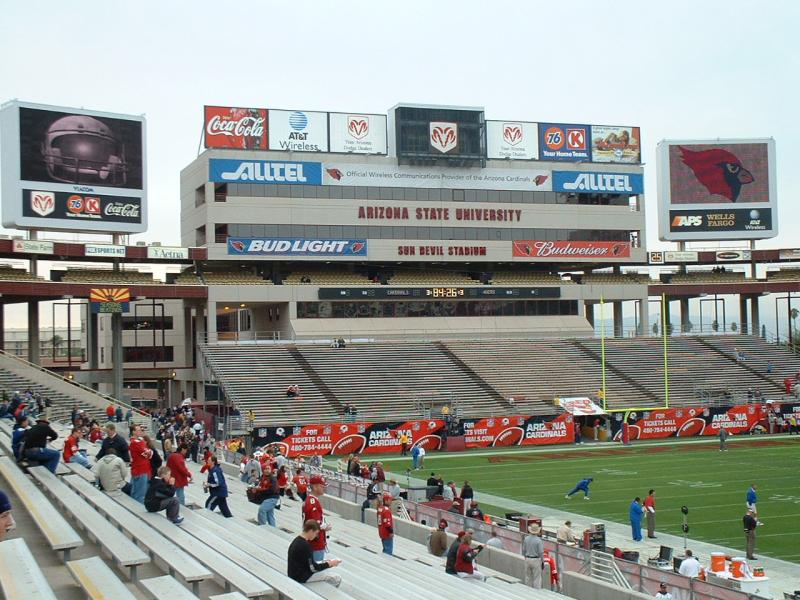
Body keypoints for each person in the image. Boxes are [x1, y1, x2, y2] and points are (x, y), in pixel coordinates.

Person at [287, 520, 342, 587]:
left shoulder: (296, 540)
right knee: (336, 578)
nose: (316, 536)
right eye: (316, 533)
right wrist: (329, 564)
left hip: (294, 574)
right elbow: (313, 568)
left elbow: (309, 564)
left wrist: (327, 563)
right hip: (301, 577)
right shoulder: (305, 545)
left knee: (324, 566)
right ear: (310, 531)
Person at [303, 475, 332, 562]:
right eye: (322, 486)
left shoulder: (311, 500)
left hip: (315, 541)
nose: (324, 488)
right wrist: (325, 526)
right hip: (315, 542)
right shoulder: (312, 502)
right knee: (317, 568)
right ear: (315, 487)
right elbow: (314, 524)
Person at [128, 424, 152, 503]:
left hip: (140, 469)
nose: (140, 431)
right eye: (138, 430)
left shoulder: (139, 441)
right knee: (140, 494)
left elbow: (149, 453)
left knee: (136, 493)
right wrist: (147, 450)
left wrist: (148, 451)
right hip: (140, 470)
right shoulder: (135, 442)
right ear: (133, 432)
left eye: (140, 430)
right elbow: (148, 454)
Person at [522, 524, 544, 588]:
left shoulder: (526, 539)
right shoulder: (539, 541)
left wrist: (526, 557)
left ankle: (528, 592)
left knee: (528, 577)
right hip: (536, 560)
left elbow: (523, 550)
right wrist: (542, 561)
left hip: (527, 559)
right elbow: (541, 552)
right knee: (537, 578)